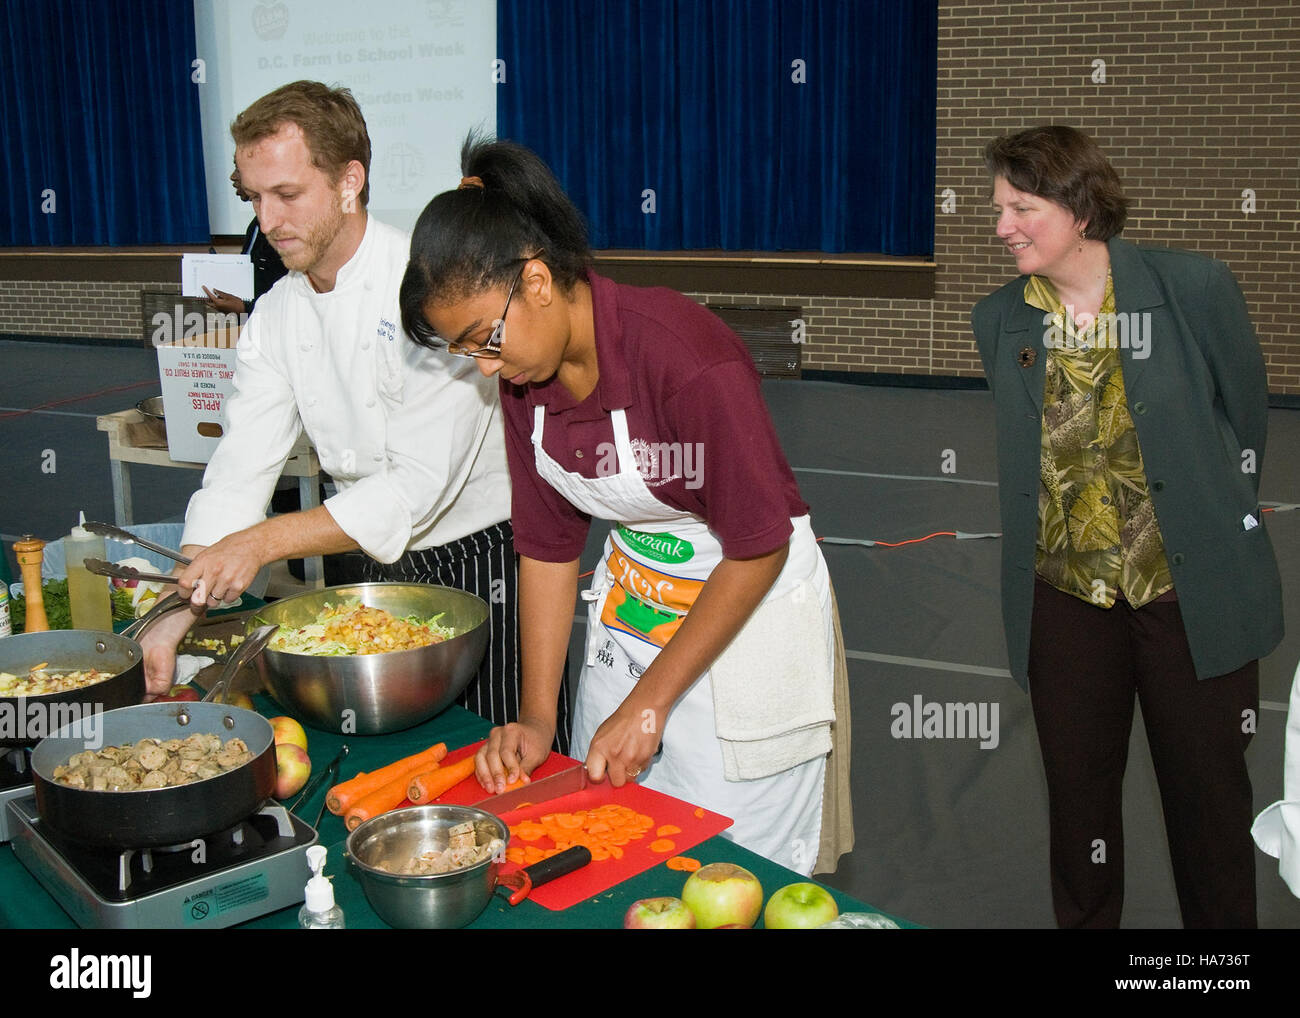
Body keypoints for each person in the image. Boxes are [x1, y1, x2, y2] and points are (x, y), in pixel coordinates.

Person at [397, 136, 853, 874]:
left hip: (745, 608)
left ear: (537, 282)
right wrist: (539, 716)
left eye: (485, 339)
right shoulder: (525, 382)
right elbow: (546, 545)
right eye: (465, 352)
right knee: (614, 844)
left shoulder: (685, 357)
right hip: (638, 606)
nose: (485, 366)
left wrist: (652, 702)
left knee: (732, 866)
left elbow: (759, 543)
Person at [142, 82, 570, 751]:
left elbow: (414, 489)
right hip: (360, 569)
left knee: (501, 773)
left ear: (350, 181)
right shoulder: (277, 316)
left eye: (287, 194)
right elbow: (237, 472)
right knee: (371, 766)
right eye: (253, 198)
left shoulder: (433, 286)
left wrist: (259, 544)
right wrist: (176, 608)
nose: (268, 218)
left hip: (477, 570)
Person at [970, 125, 1284, 928]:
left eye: (1020, 207)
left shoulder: (1192, 288)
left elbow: (1243, 418)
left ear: (1079, 208)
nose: (1001, 225)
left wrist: (1220, 514)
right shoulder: (1002, 320)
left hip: (1189, 598)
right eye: (999, 207)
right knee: (1079, 817)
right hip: (1067, 604)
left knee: (1209, 809)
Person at [202, 165, 289, 315]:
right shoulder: (256, 224)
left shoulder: (286, 228)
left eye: (238, 169)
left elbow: (289, 298)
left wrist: (244, 308)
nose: (232, 177)